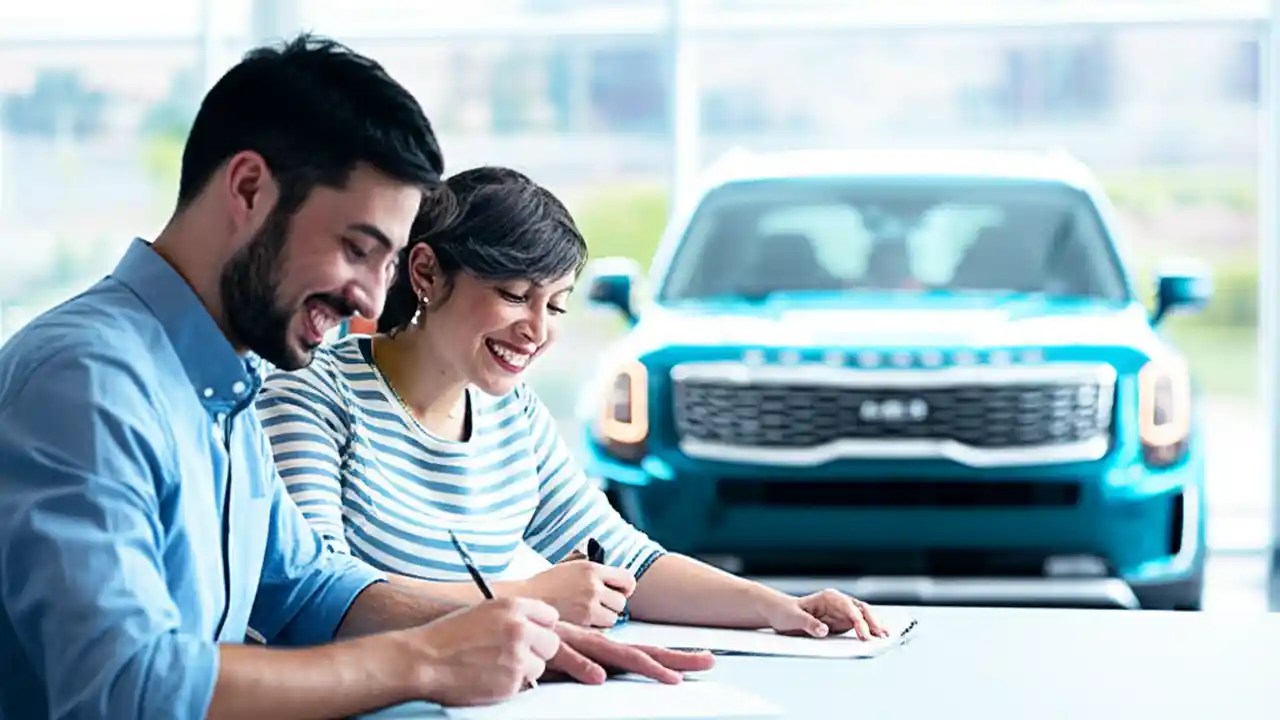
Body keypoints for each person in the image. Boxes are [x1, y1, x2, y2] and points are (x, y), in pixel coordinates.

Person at [0, 36, 710, 720]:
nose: (371, 302)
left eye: (389, 264)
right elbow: (123, 686)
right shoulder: (87, 381)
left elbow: (309, 589)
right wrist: (424, 661)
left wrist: (516, 627)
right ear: (248, 188)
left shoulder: (222, 382)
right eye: (355, 249)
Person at [258, 166, 890, 638]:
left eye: (556, 304)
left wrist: (780, 607)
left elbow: (629, 559)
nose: (537, 329)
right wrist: (529, 597)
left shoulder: (512, 412)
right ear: (425, 273)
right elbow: (321, 600)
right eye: (513, 294)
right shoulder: (311, 396)